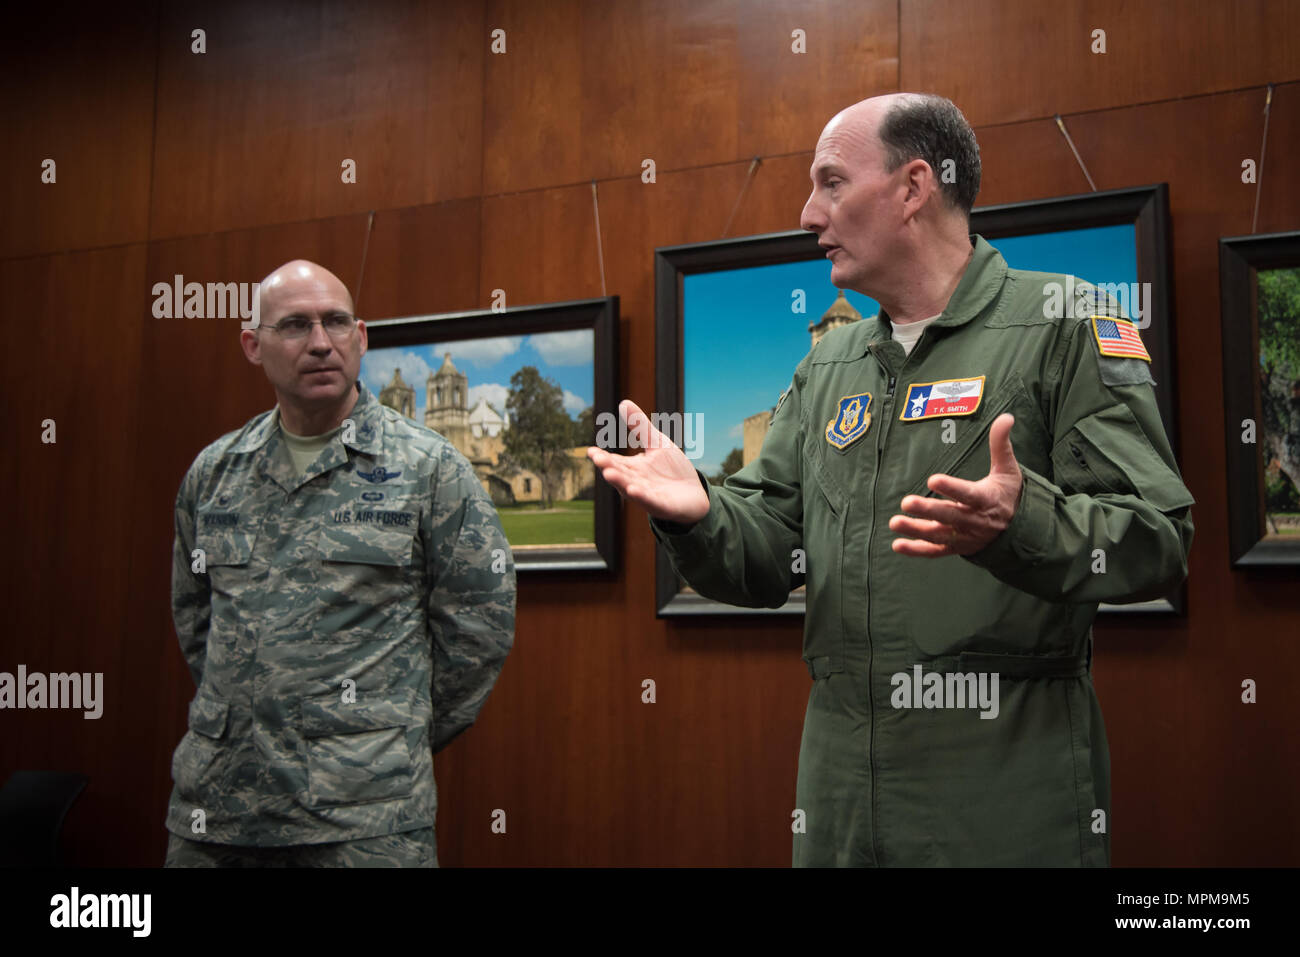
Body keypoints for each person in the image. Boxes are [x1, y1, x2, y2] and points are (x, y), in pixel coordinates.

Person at [588, 94, 1194, 866]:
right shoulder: (827, 365)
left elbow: (1159, 539)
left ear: (914, 187)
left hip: (1003, 801)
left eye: (831, 182)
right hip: (840, 807)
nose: (810, 213)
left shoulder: (1067, 322)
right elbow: (770, 552)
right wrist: (700, 512)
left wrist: (1022, 525)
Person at [164, 260, 515, 867]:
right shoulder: (215, 473)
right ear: (254, 345)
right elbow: (196, 618)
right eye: (296, 325)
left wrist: (383, 737)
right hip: (220, 811)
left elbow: (478, 633)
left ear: (362, 337)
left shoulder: (430, 469)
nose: (321, 342)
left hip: (364, 820)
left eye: (336, 322)